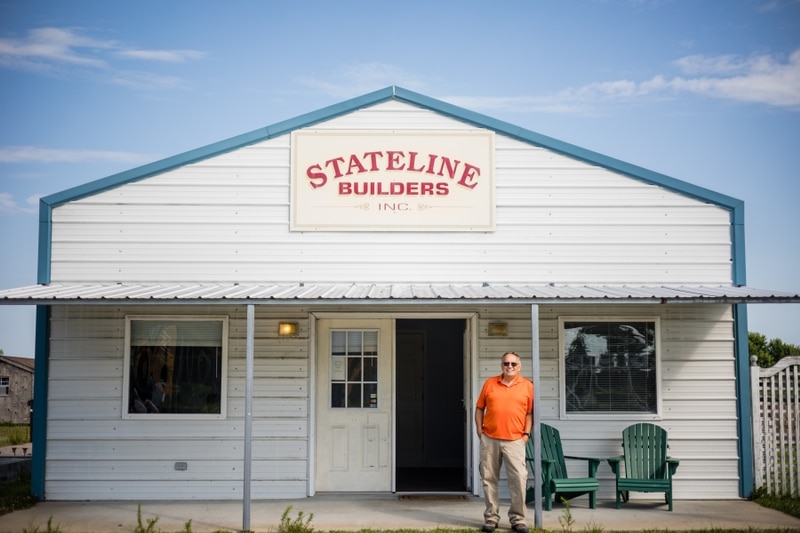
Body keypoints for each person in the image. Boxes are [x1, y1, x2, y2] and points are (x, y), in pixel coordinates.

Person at [475, 351, 533, 533]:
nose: (509, 366)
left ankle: (518, 519)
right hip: (490, 439)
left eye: (513, 364)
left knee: (518, 479)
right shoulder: (490, 383)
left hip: (515, 440)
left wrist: (526, 435)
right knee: (489, 479)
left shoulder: (527, 386)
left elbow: (529, 413)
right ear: (501, 365)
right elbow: (479, 408)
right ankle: (491, 518)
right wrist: (479, 430)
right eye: (506, 363)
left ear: (519, 366)